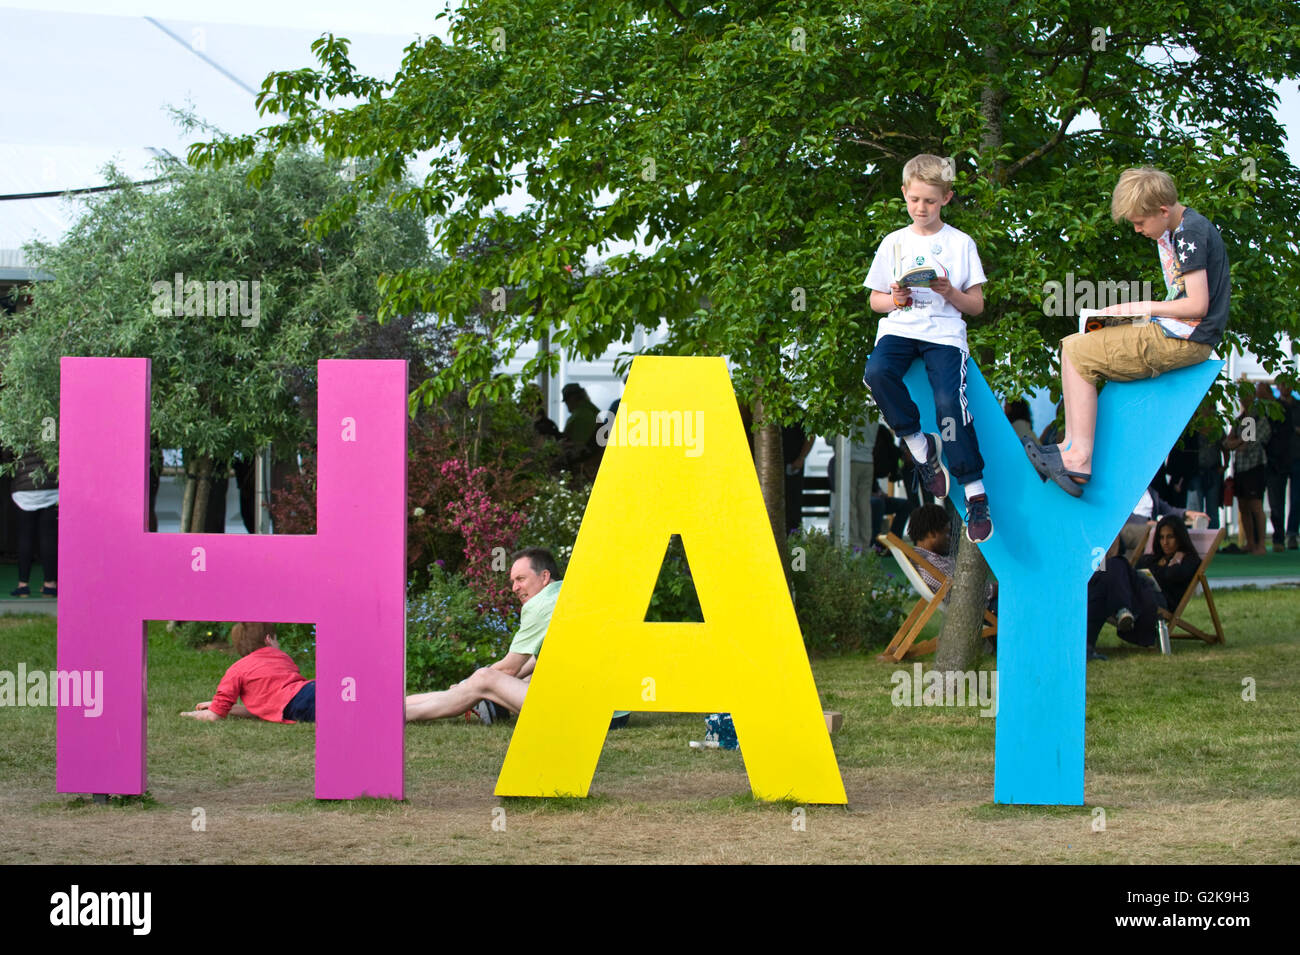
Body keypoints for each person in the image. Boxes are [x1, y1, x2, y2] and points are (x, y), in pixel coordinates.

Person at [1026, 167, 1230, 497]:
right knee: (1074, 345)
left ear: (1163, 211)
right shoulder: (1180, 228)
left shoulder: (1190, 233)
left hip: (1186, 337)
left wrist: (1138, 308)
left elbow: (1197, 305)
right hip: (1180, 332)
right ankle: (1069, 445)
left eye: (1140, 221)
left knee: (1079, 353)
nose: (1137, 229)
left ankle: (1078, 458)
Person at [863, 154, 993, 543]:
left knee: (949, 404)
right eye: (915, 199)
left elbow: (977, 305)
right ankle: (921, 447)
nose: (922, 208)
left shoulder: (960, 243)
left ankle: (974, 492)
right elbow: (875, 300)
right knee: (876, 374)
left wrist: (949, 291)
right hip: (901, 327)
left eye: (931, 201)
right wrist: (896, 298)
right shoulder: (894, 242)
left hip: (944, 334)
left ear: (947, 199)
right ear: (904, 194)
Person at [404, 547, 562, 723]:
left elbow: (508, 668)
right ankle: (483, 701)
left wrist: (467, 685)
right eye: (513, 581)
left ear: (544, 577)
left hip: (563, 709)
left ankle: (403, 712)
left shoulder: (539, 606)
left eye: (521, 579)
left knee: (483, 677)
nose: (515, 588)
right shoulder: (563, 594)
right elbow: (534, 660)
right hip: (584, 700)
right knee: (518, 675)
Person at [180, 621, 316, 723]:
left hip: (301, 701)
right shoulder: (282, 656)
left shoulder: (237, 669)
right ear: (268, 639)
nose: (278, 644)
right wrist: (221, 706)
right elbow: (263, 710)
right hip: (308, 691)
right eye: (276, 639)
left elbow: (214, 716)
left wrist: (198, 713)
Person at [1224, 385, 1271, 555]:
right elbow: (1229, 443)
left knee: (1256, 506)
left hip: (1255, 467)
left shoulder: (1258, 418)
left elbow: (1249, 443)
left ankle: (1261, 544)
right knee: (1243, 506)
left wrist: (1238, 442)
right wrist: (1237, 442)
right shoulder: (1240, 419)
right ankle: (1250, 543)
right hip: (1240, 468)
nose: (1244, 399)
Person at [8, 451, 58, 598]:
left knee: (25, 537)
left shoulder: (18, 427)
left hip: (24, 489)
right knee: (49, 537)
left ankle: (23, 585)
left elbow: (7, 456)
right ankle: (50, 584)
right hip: (51, 487)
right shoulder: (52, 427)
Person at [1137, 516, 1200, 608]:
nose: (1165, 542)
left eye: (1170, 537)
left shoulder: (1189, 560)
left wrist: (1175, 560)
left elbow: (1172, 574)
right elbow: (1136, 569)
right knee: (1117, 563)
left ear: (1180, 537)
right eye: (1161, 537)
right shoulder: (1153, 558)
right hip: (1142, 597)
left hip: (1163, 602)